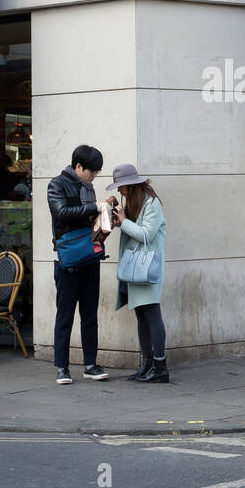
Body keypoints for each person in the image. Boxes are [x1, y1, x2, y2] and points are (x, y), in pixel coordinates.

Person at [47, 144, 114, 383]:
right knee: (65, 315)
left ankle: (90, 365)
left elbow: (87, 219)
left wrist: (105, 214)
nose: (94, 176)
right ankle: (62, 368)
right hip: (67, 259)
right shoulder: (56, 184)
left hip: (90, 255)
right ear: (78, 166)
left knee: (90, 314)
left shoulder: (88, 187)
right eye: (92, 172)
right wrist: (94, 207)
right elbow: (62, 212)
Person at [107, 164, 169, 382]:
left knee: (152, 315)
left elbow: (146, 235)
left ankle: (160, 367)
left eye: (121, 187)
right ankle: (148, 364)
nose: (119, 191)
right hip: (135, 268)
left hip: (146, 268)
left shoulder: (151, 204)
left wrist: (124, 221)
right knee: (142, 317)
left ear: (130, 185)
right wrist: (118, 222)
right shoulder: (135, 203)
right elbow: (134, 231)